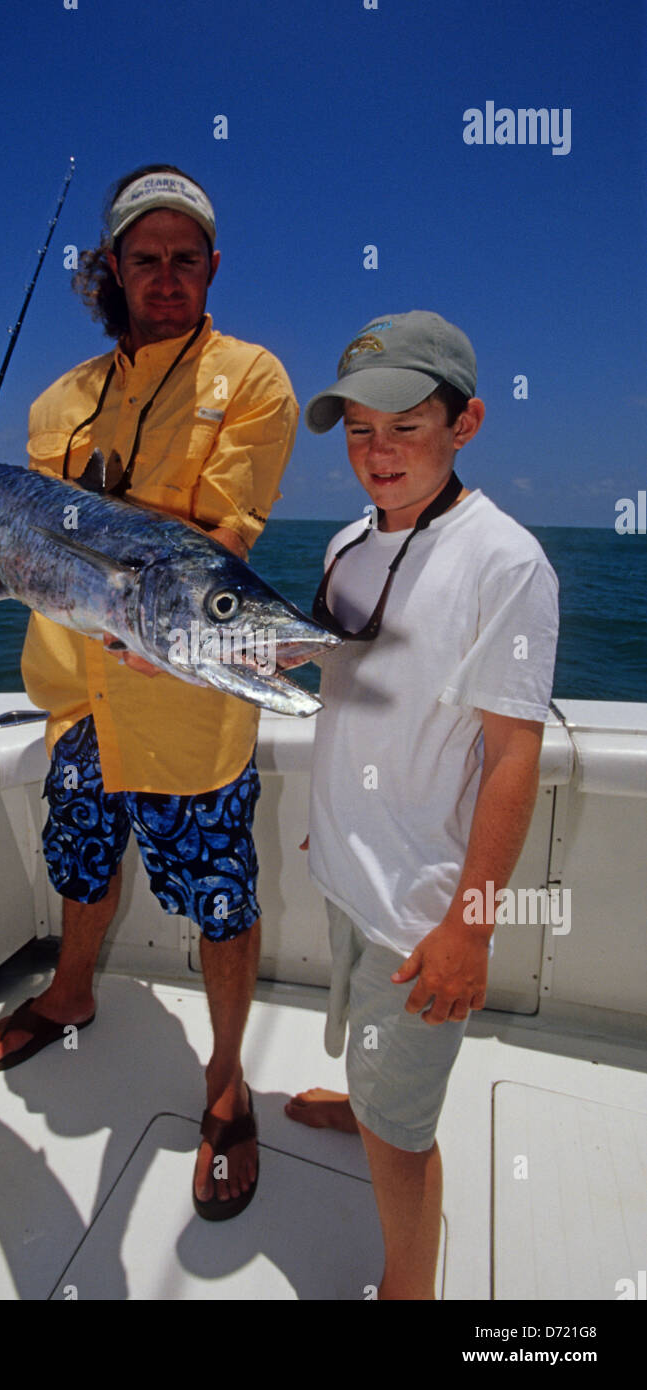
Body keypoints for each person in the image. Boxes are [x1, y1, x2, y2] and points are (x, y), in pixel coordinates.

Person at [0, 164, 298, 1220]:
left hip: (186, 708)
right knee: (78, 857)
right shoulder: (56, 401)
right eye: (144, 258)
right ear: (111, 270)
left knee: (221, 898)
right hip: (77, 691)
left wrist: (150, 615)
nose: (165, 277)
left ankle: (225, 1078)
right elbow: (25, 532)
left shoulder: (252, 379)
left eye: (185, 259)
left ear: (212, 267)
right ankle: (72, 990)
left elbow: (221, 543)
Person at [285, 311, 558, 1296]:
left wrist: (472, 927)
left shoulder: (507, 561)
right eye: (359, 427)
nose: (378, 450)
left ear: (467, 422)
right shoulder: (347, 541)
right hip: (348, 867)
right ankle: (356, 1095)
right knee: (358, 1030)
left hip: (425, 911)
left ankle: (411, 1286)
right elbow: (329, 671)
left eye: (405, 422)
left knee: (402, 1137)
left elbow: (513, 754)